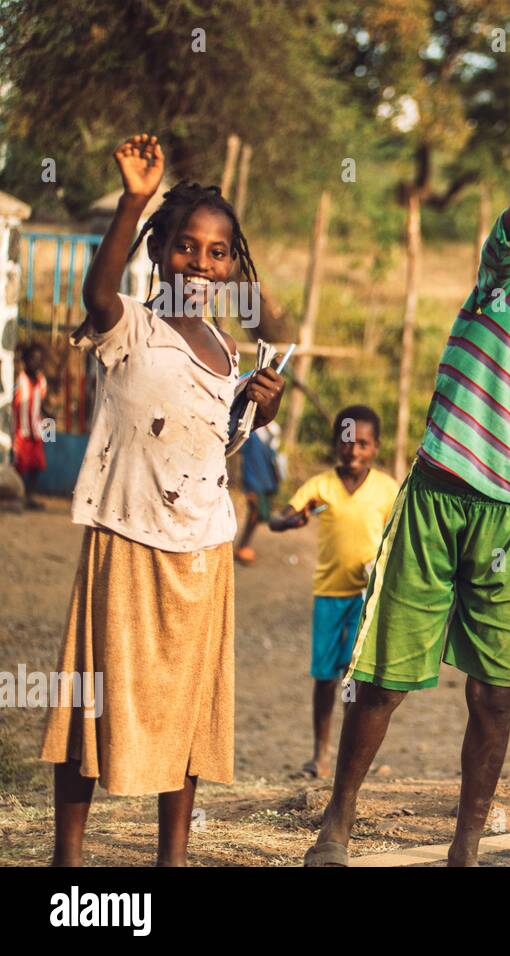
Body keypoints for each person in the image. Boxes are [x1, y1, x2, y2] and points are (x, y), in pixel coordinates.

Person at [306, 104, 510, 867]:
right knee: (384, 677)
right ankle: (338, 823)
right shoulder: (505, 285)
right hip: (434, 505)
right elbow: (503, 239)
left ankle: (467, 843)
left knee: (495, 690)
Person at [41, 134, 285, 866]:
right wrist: (134, 202)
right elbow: (95, 290)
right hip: (127, 536)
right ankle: (68, 856)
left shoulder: (226, 348)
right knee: (91, 703)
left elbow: (217, 445)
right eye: (185, 247)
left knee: (186, 710)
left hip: (203, 550)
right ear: (159, 251)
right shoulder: (131, 326)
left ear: (232, 266)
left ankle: (171, 857)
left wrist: (257, 412)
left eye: (217, 254)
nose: (200, 265)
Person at [270, 405, 398, 779]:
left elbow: (399, 534)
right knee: (325, 677)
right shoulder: (320, 486)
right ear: (334, 444)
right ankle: (320, 755)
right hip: (329, 594)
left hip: (366, 598)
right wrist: (288, 520)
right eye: (347, 442)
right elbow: (280, 516)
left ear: (375, 447)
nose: (354, 450)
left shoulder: (387, 488)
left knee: (356, 678)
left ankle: (353, 757)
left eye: (363, 443)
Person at [235, 422, 281, 565]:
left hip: (266, 482)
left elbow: (274, 460)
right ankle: (242, 547)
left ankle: (244, 546)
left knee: (260, 516)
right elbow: (244, 461)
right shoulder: (251, 433)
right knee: (254, 514)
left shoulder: (271, 435)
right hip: (253, 482)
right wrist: (248, 487)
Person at [12, 342, 49, 508]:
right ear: (26, 360)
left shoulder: (42, 381)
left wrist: (49, 424)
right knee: (20, 466)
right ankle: (17, 496)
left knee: (37, 465)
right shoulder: (19, 380)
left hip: (37, 430)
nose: (36, 363)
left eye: (39, 360)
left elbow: (43, 405)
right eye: (33, 359)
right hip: (21, 431)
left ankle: (29, 496)